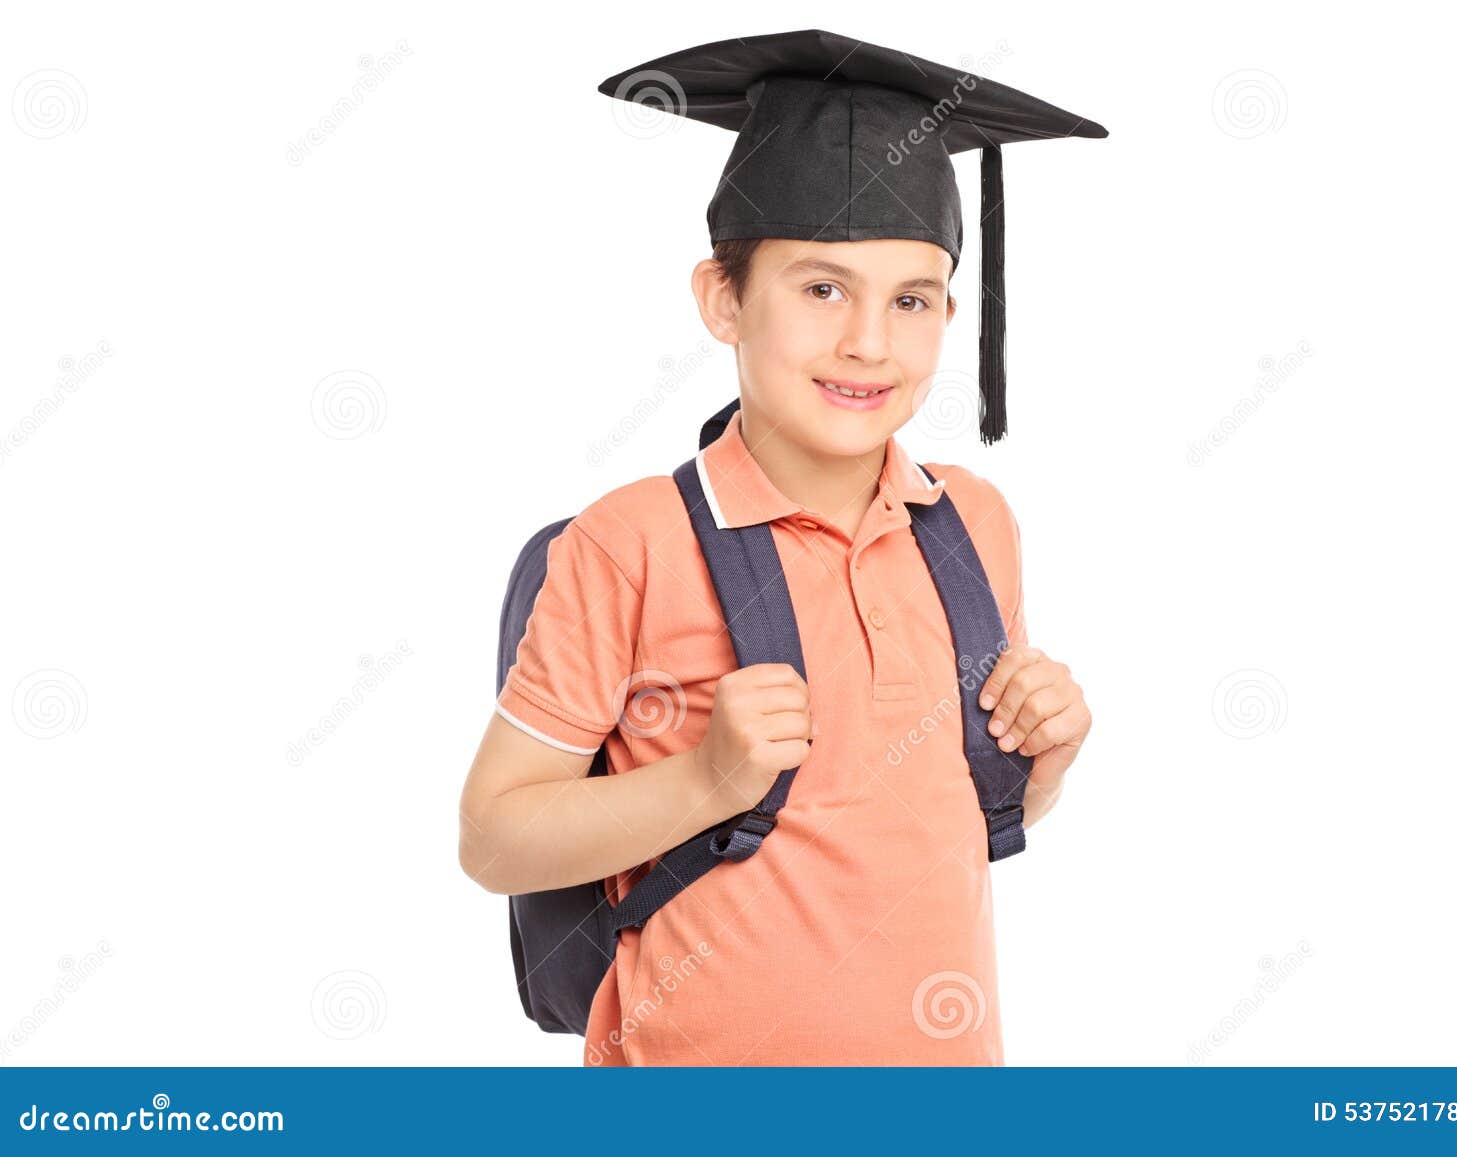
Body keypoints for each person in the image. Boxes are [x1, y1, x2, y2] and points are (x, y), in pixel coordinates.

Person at [458, 29, 1100, 1065]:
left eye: (912, 299)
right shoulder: (628, 543)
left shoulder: (972, 524)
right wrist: (707, 781)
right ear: (724, 300)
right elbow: (492, 837)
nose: (868, 343)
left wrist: (1046, 760)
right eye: (820, 288)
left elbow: (957, 812)